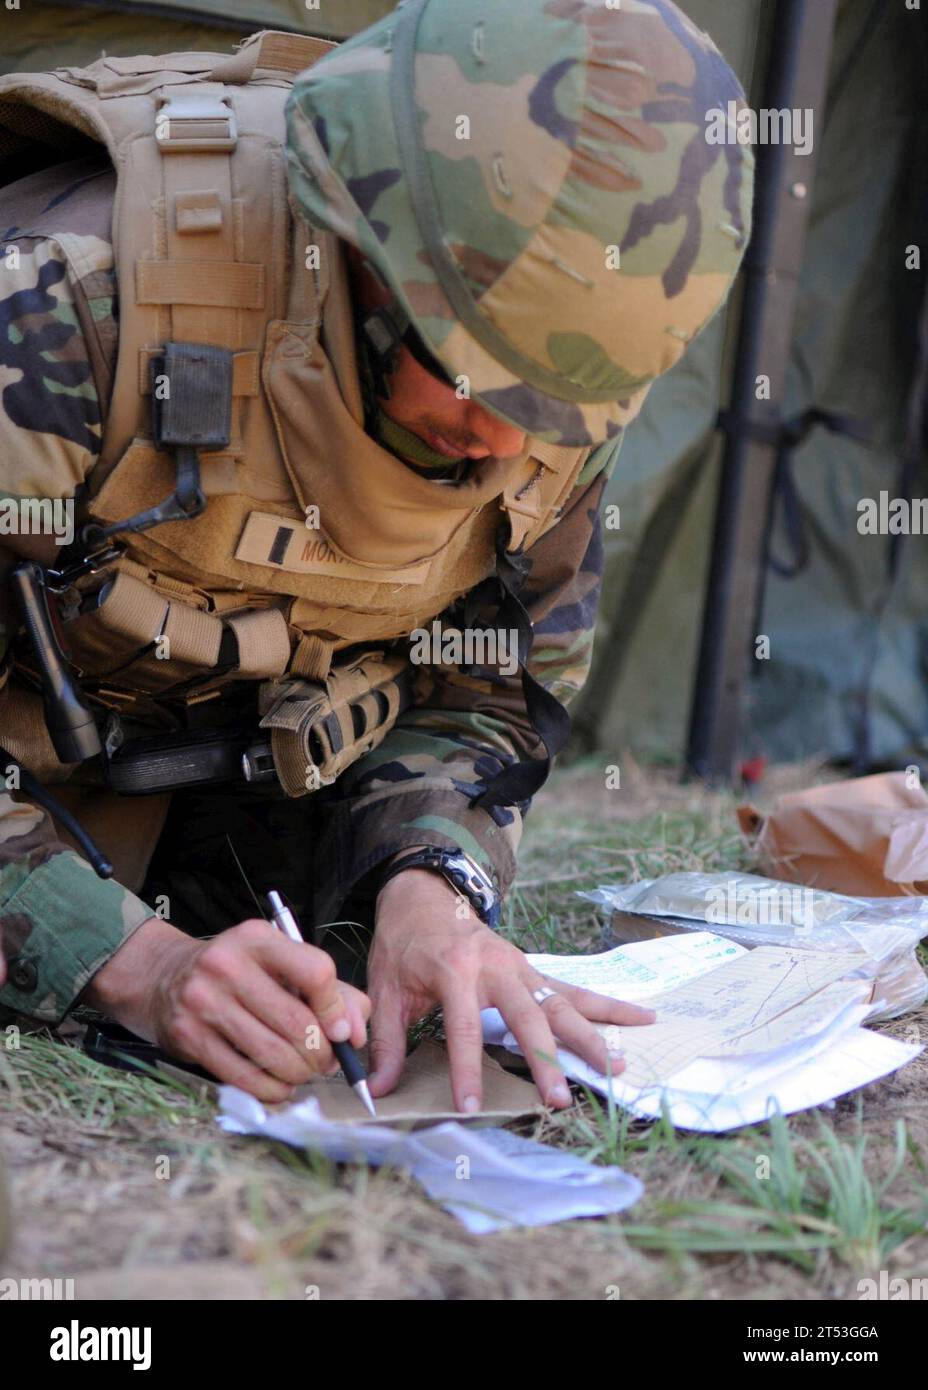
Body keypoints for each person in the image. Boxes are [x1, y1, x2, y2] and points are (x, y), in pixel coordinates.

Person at [0, 0, 753, 1112]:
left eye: (552, 406)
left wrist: (428, 879)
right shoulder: (66, 309)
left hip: (214, 794)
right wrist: (133, 964)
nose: (506, 439)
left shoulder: (553, 395)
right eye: (476, 376)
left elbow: (485, 690)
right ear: (359, 253)